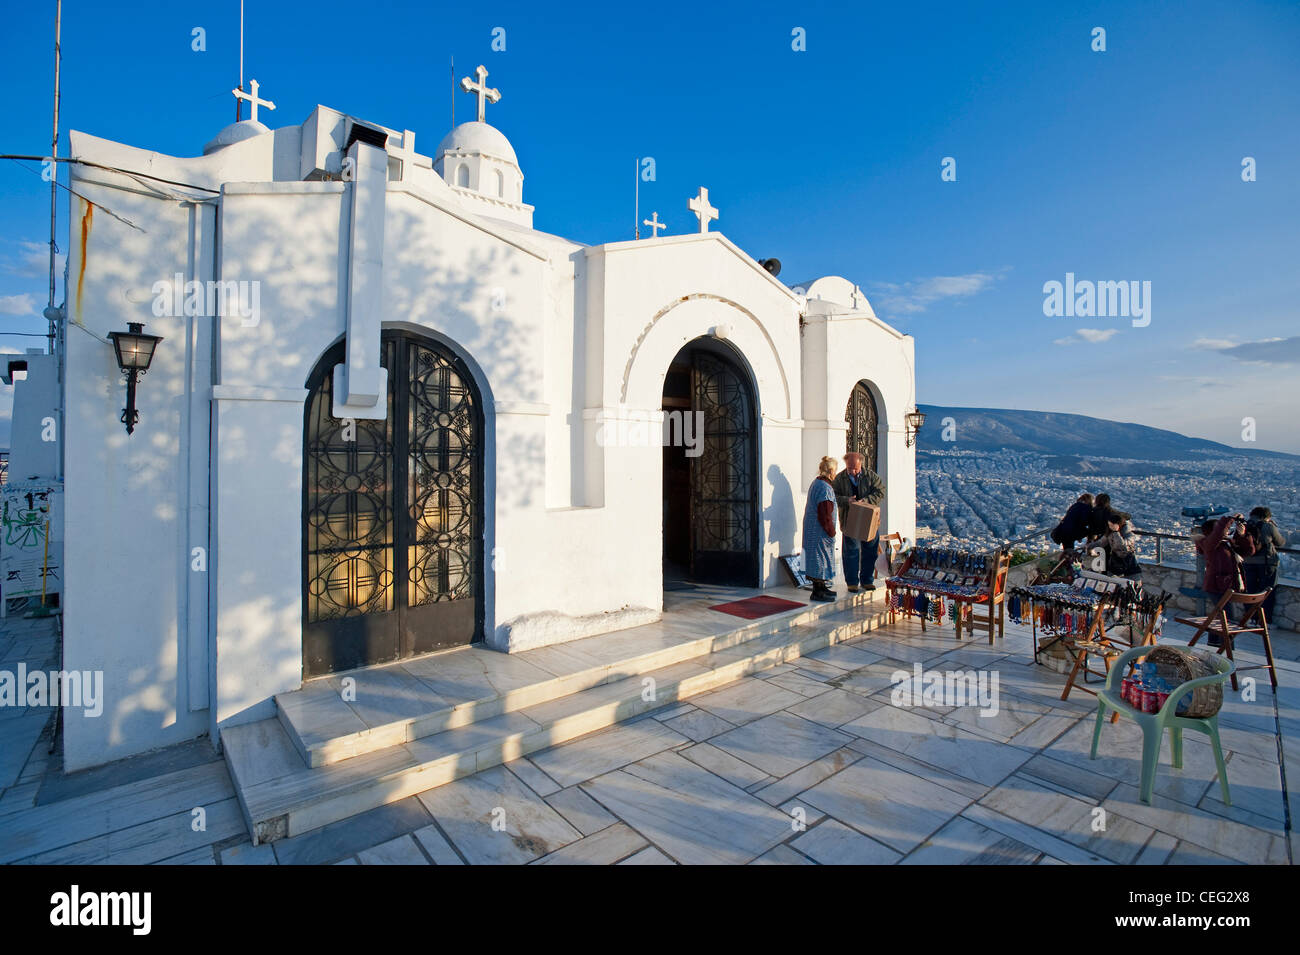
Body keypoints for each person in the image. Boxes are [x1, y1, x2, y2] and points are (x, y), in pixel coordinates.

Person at [1196, 513, 1255, 645]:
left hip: (1226, 585)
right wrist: (1229, 519)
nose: (1227, 531)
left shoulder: (1226, 544)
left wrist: (1242, 535)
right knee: (1226, 617)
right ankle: (1225, 646)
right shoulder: (1208, 544)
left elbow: (1248, 551)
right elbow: (1217, 535)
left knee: (1221, 616)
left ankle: (1214, 643)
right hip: (1215, 586)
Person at [833, 451, 886, 592]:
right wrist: (847, 500)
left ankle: (867, 580)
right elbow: (833, 496)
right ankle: (851, 582)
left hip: (869, 520)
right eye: (850, 468)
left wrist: (866, 501)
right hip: (850, 520)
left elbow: (881, 491)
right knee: (851, 551)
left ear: (861, 464)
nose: (853, 471)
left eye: (855, 468)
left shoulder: (870, 476)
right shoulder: (840, 479)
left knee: (870, 551)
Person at [802, 456, 840, 602]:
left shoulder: (817, 483)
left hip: (814, 529)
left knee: (819, 559)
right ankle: (818, 591)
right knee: (820, 559)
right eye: (835, 471)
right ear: (830, 471)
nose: (836, 474)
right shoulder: (824, 487)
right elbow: (825, 512)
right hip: (819, 531)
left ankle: (821, 587)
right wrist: (831, 531)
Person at [1243, 506, 1285, 623]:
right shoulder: (1268, 526)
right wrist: (1273, 527)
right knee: (1266, 592)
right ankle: (1265, 620)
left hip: (1248, 562)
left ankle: (1250, 618)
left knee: (1250, 590)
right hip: (1267, 563)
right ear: (1266, 517)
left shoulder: (1244, 526)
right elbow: (1280, 542)